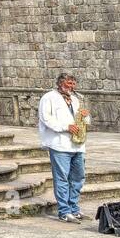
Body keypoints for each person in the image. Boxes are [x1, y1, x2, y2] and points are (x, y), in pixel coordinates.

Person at [38, 71, 90, 222]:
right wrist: (65, 127)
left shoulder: (75, 99)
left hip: (77, 145)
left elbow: (85, 121)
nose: (72, 87)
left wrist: (85, 116)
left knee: (78, 177)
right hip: (59, 144)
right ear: (61, 83)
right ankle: (64, 211)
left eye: (74, 84)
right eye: (69, 83)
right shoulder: (48, 98)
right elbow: (46, 118)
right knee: (62, 178)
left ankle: (74, 208)